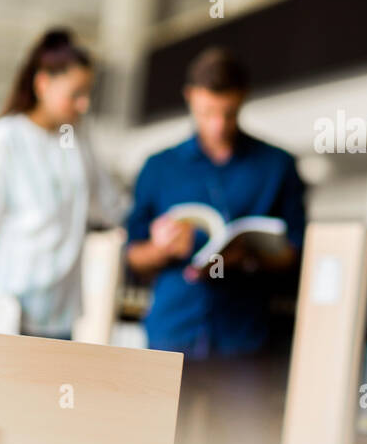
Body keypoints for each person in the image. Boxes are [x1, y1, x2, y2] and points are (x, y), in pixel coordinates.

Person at [125, 46, 306, 359]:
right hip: (173, 330)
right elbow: (132, 255)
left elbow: (296, 253)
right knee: (167, 410)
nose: (218, 126)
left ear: (244, 98)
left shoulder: (278, 166)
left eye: (229, 113)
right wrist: (161, 249)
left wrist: (248, 256)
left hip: (244, 336)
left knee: (244, 412)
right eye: (207, 113)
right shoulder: (158, 167)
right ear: (190, 97)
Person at [0, 28, 126, 339]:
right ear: (43, 83)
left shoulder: (78, 138)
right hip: (10, 310)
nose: (84, 105)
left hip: (61, 313)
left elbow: (109, 206)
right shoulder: (4, 139)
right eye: (75, 94)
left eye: (88, 94)